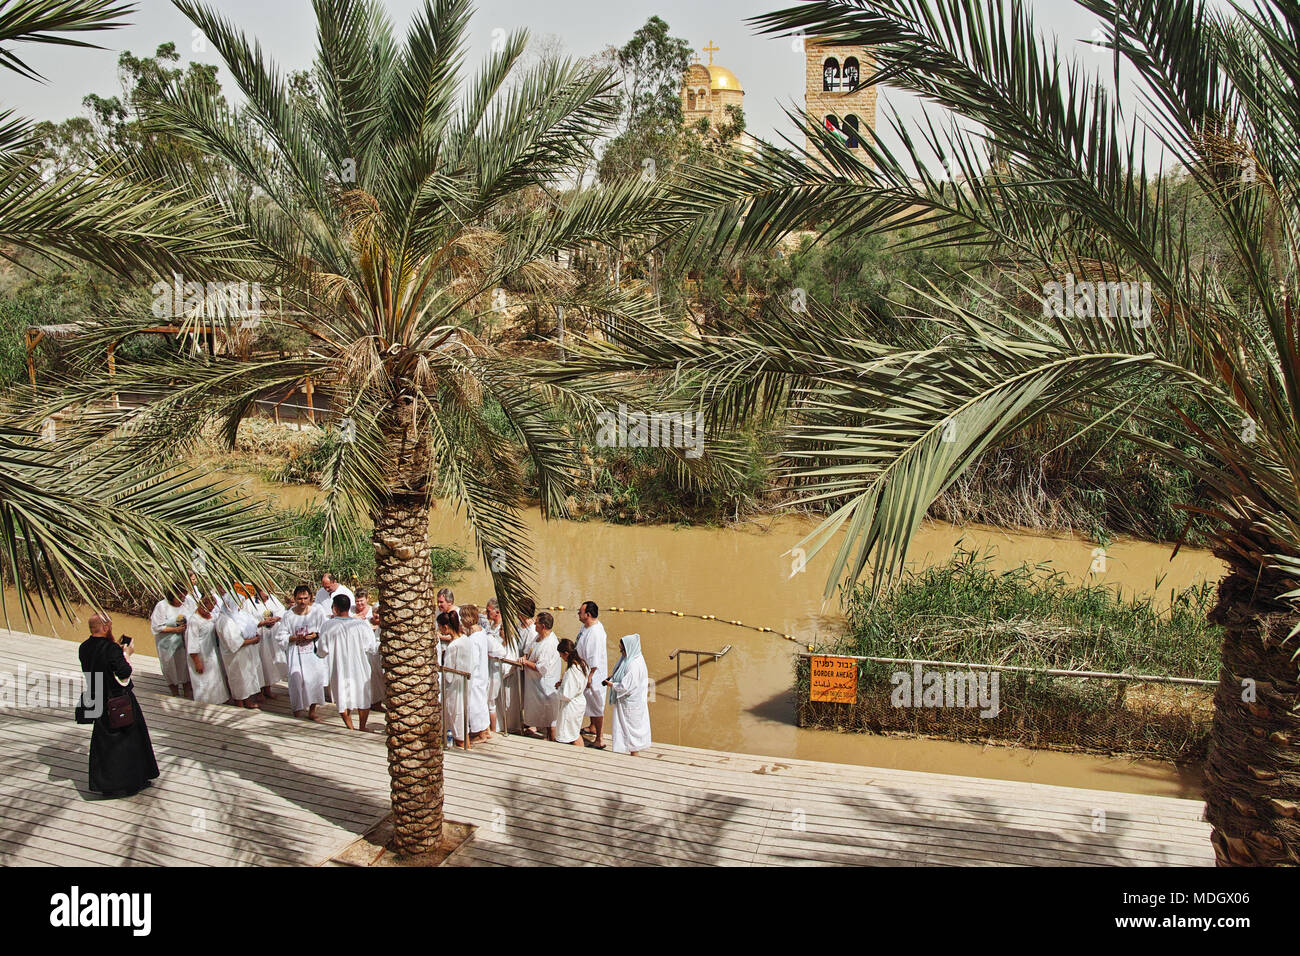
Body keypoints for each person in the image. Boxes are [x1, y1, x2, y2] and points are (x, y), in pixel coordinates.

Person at [78, 613, 159, 797]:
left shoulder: (84, 647)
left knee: (104, 744)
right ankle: (133, 782)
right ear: (105, 628)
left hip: (98, 698)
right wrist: (126, 654)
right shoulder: (111, 649)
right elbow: (124, 672)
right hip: (118, 700)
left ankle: (106, 784)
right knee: (130, 742)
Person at [316, 593, 377, 731]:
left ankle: (350, 727)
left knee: (341, 695)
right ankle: (362, 726)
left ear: (334, 608)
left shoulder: (328, 626)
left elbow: (322, 650)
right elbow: (371, 647)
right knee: (363, 695)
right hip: (360, 666)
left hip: (339, 667)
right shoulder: (361, 624)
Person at [274, 584, 330, 722]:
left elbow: (325, 630)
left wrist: (315, 635)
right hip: (295, 652)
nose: (302, 601)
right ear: (295, 598)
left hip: (312, 652)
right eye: (299, 599)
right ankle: (297, 709)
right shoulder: (289, 615)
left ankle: (312, 710)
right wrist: (294, 638)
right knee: (296, 680)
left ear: (310, 598)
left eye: (305, 598)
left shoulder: (317, 612)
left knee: (313, 680)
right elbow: (280, 636)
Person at [605, 634, 651, 755]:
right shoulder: (633, 657)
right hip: (631, 702)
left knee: (631, 732)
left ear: (629, 648)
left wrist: (611, 685)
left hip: (630, 704)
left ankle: (634, 758)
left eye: (622, 650)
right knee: (628, 730)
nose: (621, 652)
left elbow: (625, 686)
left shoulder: (634, 665)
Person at [519, 610, 561, 740]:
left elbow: (541, 668)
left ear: (543, 626)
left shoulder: (549, 644)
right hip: (534, 684)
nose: (534, 625)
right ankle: (540, 732)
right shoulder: (538, 637)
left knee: (549, 716)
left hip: (545, 685)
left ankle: (551, 740)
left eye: (536, 623)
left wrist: (525, 662)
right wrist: (525, 657)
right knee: (538, 711)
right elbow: (528, 650)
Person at [217, 598, 264, 709]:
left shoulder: (235, 616)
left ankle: (247, 701)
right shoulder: (225, 621)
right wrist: (253, 640)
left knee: (245, 677)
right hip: (234, 655)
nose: (239, 607)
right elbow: (234, 642)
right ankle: (239, 703)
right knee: (237, 678)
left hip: (243, 653)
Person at [575, 600, 609, 749]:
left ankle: (599, 738)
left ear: (587, 615)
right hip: (583, 669)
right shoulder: (586, 626)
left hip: (593, 674)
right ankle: (592, 726)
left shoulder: (595, 633)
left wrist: (589, 677)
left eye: (580, 612)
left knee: (596, 705)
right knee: (589, 701)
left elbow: (594, 660)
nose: (578, 613)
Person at [186, 595, 231, 705]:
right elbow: (191, 642)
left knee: (215, 678)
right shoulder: (194, 621)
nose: (212, 609)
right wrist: (197, 662)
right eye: (211, 606)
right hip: (200, 656)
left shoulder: (211, 616)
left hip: (211, 652)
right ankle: (204, 703)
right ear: (204, 604)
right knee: (204, 681)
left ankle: (219, 701)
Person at [243, 585, 286, 698]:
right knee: (260, 662)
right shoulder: (249, 602)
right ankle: (259, 692)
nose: (265, 593)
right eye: (262, 590)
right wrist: (261, 623)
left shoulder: (273, 599)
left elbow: (282, 611)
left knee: (269, 662)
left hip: (271, 636)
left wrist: (275, 619)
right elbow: (246, 619)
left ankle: (268, 689)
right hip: (258, 636)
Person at [437, 609, 473, 748]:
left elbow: (449, 674)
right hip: (464, 685)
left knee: (455, 718)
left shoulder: (453, 646)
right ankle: (466, 745)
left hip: (453, 688)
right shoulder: (466, 640)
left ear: (445, 627)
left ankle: (461, 745)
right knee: (463, 719)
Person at [149, 587, 192, 698]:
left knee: (185, 667)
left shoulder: (187, 603)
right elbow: (156, 626)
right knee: (170, 667)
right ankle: (175, 693)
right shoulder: (162, 606)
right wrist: (175, 630)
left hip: (182, 642)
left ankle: (187, 693)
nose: (182, 598)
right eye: (180, 596)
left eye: (184, 595)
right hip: (166, 643)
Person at [460, 603, 491, 741]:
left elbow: (472, 661)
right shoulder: (481, 632)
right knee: (481, 701)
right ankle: (484, 729)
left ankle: (478, 731)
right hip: (483, 673)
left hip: (475, 676)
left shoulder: (472, 639)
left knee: (474, 703)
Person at [353, 588, 385, 713]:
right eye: (375, 613)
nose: (376, 615)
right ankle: (375, 703)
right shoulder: (365, 623)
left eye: (379, 613)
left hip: (379, 658)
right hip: (368, 657)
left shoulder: (384, 627)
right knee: (373, 682)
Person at [554, 639, 590, 748]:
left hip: (571, 706)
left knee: (568, 735)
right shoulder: (583, 664)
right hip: (578, 702)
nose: (561, 658)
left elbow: (566, 695)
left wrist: (559, 688)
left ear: (566, 654)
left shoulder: (572, 671)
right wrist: (563, 683)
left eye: (561, 655)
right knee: (574, 733)